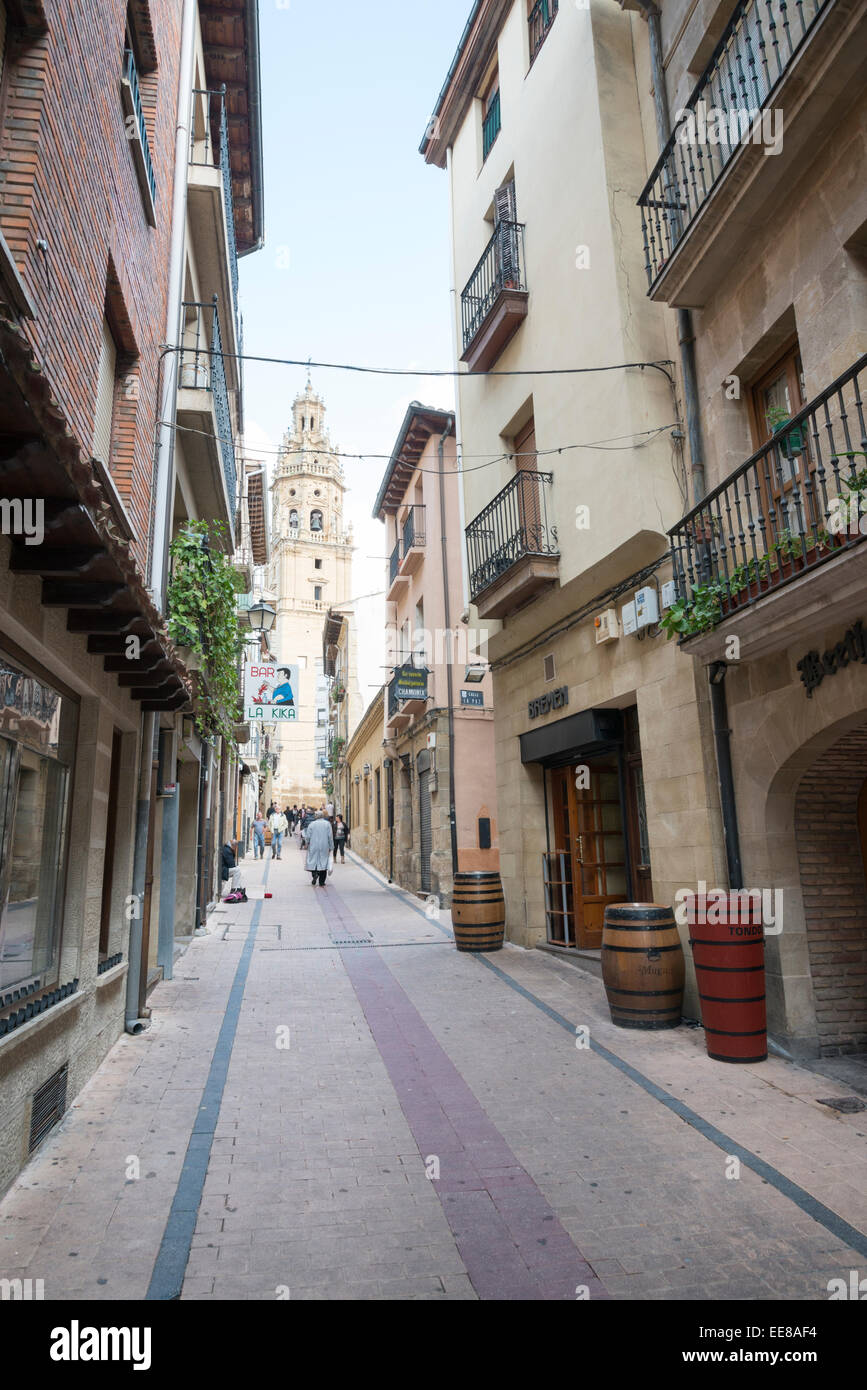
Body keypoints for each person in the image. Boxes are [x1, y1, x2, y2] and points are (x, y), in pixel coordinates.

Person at [305, 810, 334, 887]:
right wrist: (331, 846)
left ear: (316, 816)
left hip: (313, 845)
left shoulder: (312, 824)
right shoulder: (327, 824)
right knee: (323, 862)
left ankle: (314, 874)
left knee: (313, 861)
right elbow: (330, 836)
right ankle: (321, 882)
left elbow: (308, 836)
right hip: (324, 845)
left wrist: (307, 843)